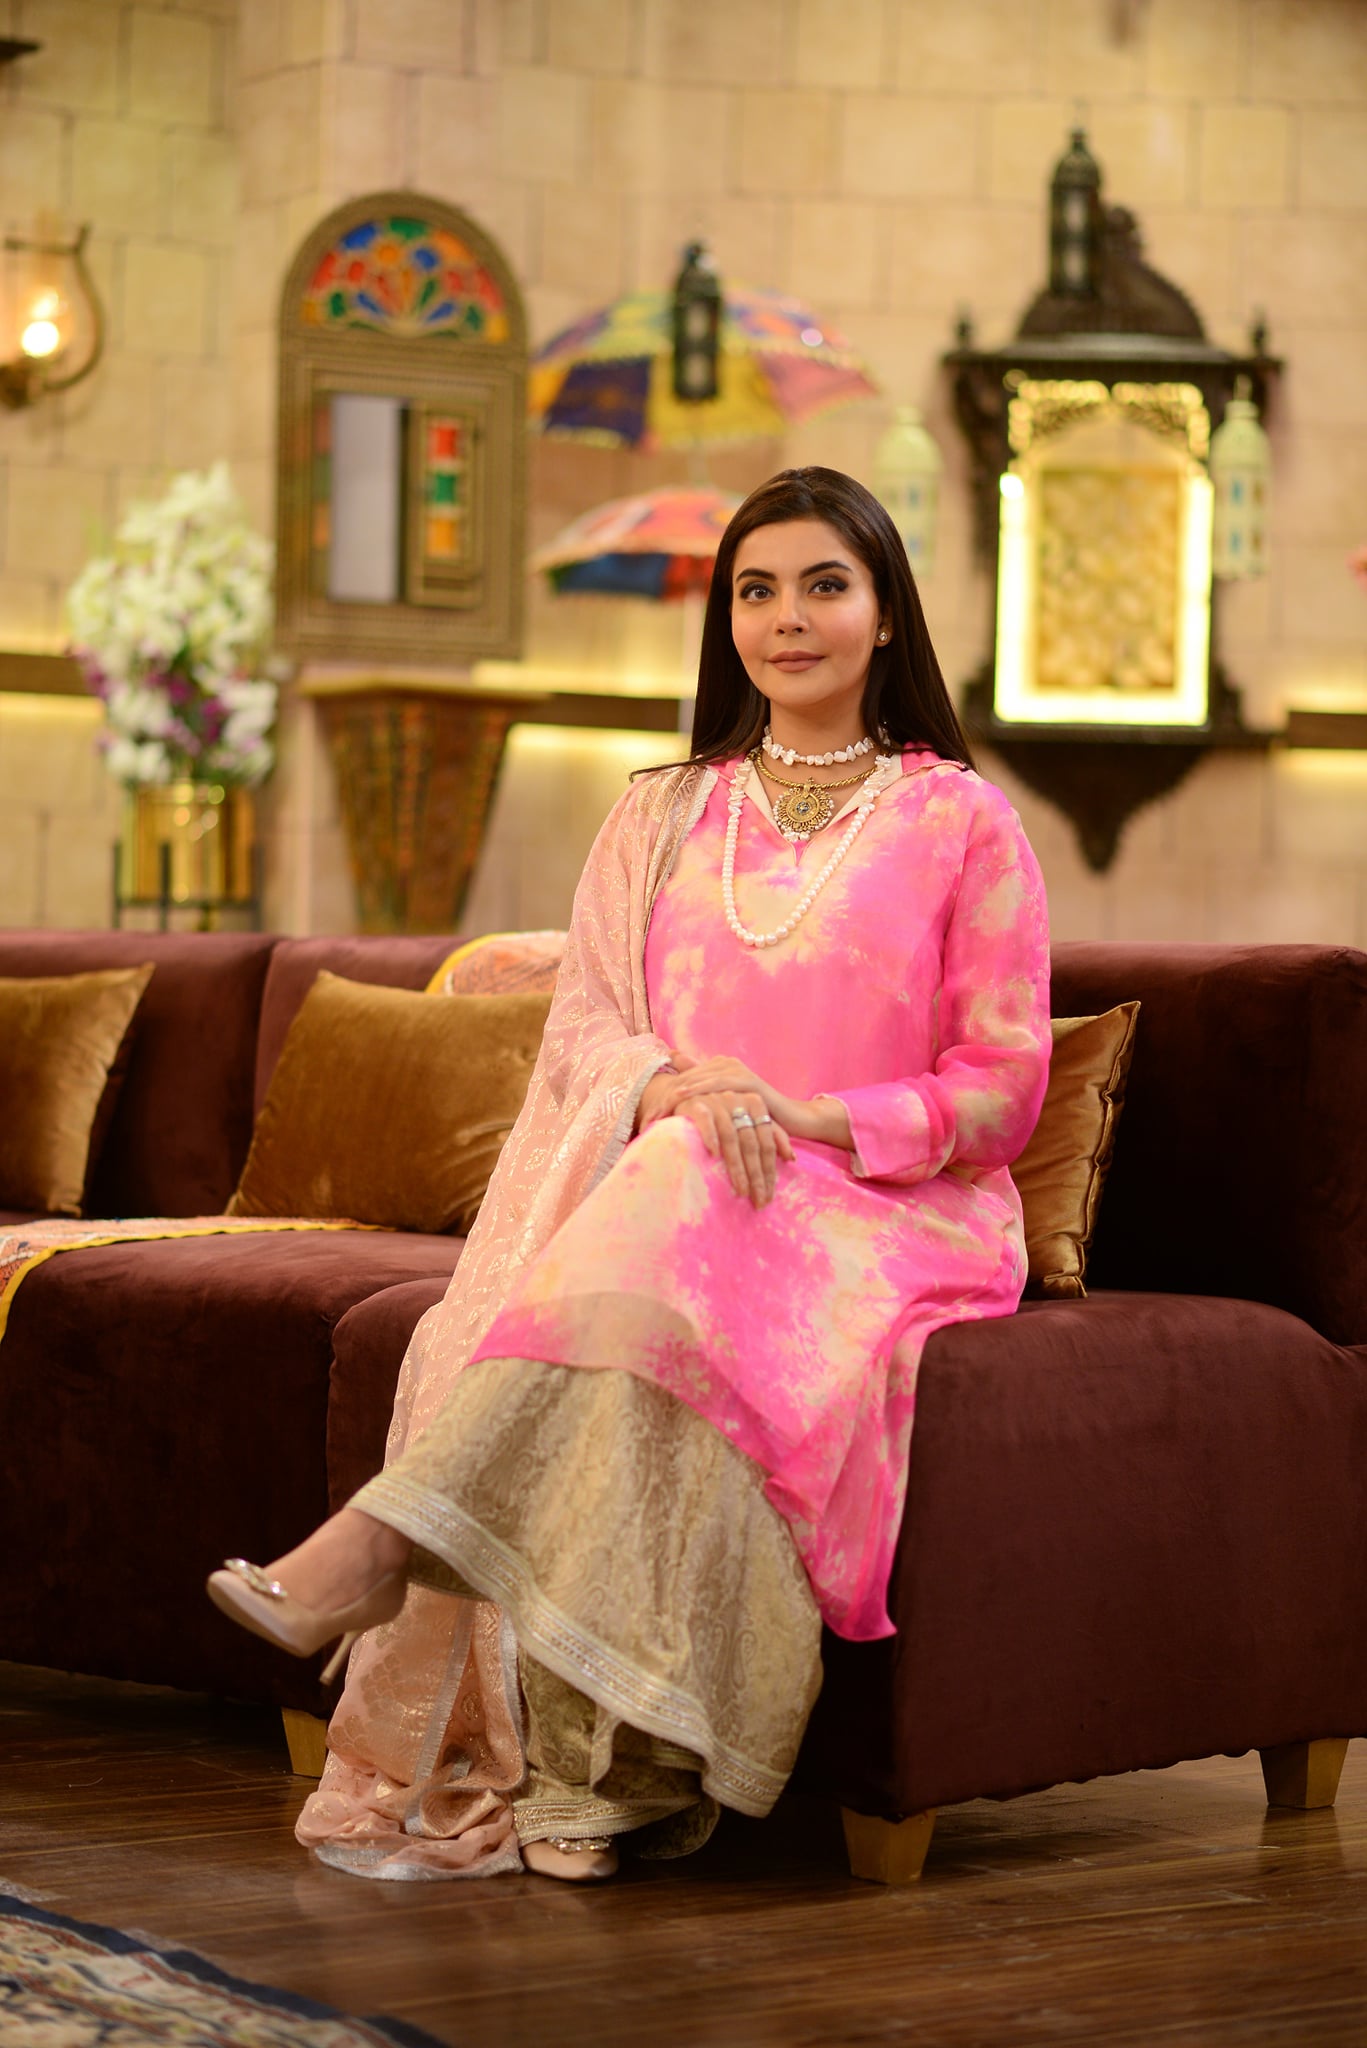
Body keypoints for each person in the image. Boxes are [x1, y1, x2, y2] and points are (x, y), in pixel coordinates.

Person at [209, 466, 1052, 1884]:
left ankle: (379, 1544)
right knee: (668, 1193)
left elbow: (999, 1086)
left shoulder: (962, 821)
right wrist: (676, 1088)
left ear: (889, 615)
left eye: (825, 585)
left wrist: (809, 1116)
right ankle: (605, 1780)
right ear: (726, 622)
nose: (788, 619)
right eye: (756, 590)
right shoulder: (663, 813)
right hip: (680, 1186)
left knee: (669, 1197)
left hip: (891, 1208)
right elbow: (590, 1025)